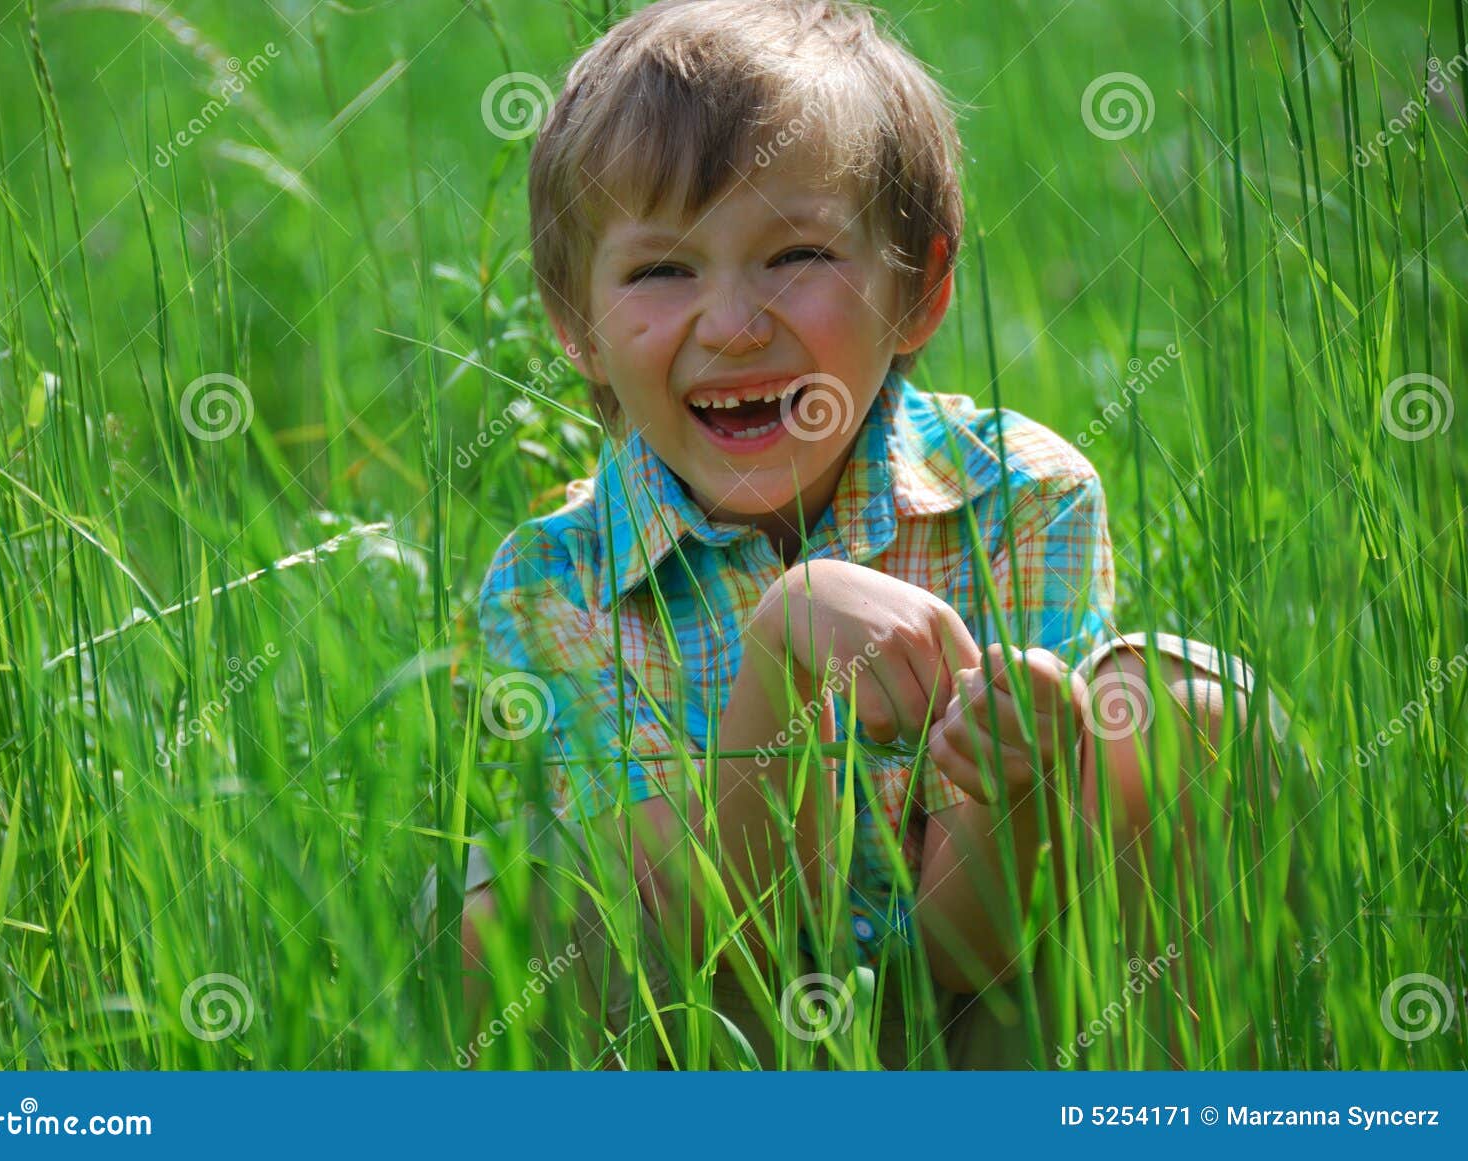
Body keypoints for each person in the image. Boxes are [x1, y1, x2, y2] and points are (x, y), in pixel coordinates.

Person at [418, 0, 1287, 1069]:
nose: (733, 323)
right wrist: (780, 657)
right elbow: (702, 941)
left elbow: (967, 951)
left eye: (795, 255)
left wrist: (1017, 788)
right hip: (707, 1049)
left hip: (985, 1026)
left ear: (916, 293)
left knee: (1187, 715)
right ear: (574, 325)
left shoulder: (1018, 502)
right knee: (486, 903)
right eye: (660, 271)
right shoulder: (553, 584)